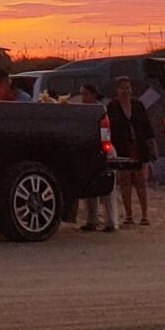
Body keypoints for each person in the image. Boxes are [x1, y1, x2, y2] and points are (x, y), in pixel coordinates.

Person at [106, 76, 155, 227]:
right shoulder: (112, 106)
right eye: (123, 88)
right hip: (122, 148)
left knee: (141, 182)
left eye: (128, 88)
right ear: (117, 90)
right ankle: (128, 215)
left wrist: (152, 146)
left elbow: (147, 127)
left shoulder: (138, 105)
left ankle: (145, 215)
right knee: (125, 182)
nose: (126, 91)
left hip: (139, 147)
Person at [74, 83, 117, 232]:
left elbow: (105, 133)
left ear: (93, 95)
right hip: (88, 151)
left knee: (107, 189)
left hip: (102, 149)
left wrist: (105, 148)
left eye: (85, 94)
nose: (83, 97)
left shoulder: (100, 111)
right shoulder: (82, 111)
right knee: (90, 187)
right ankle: (92, 219)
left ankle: (111, 221)